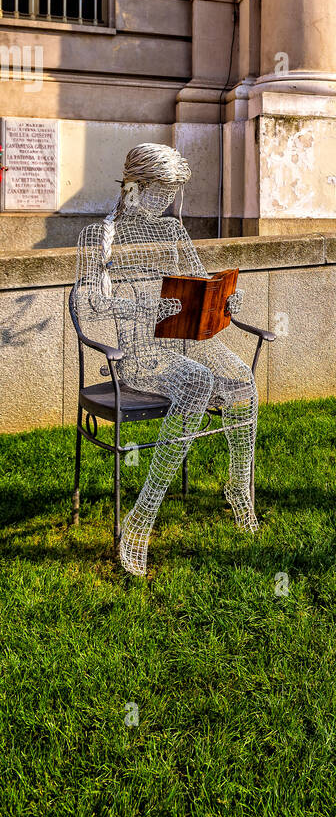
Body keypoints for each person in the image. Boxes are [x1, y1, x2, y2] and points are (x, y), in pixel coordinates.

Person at [73, 144, 258, 576]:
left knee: (242, 379)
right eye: (161, 191)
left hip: (186, 339)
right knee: (196, 383)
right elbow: (92, 302)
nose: (167, 201)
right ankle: (141, 520)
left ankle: (238, 487)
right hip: (140, 354)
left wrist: (227, 297)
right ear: (135, 185)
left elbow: (198, 280)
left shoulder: (173, 231)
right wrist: (142, 311)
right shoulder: (100, 235)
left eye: (173, 192)